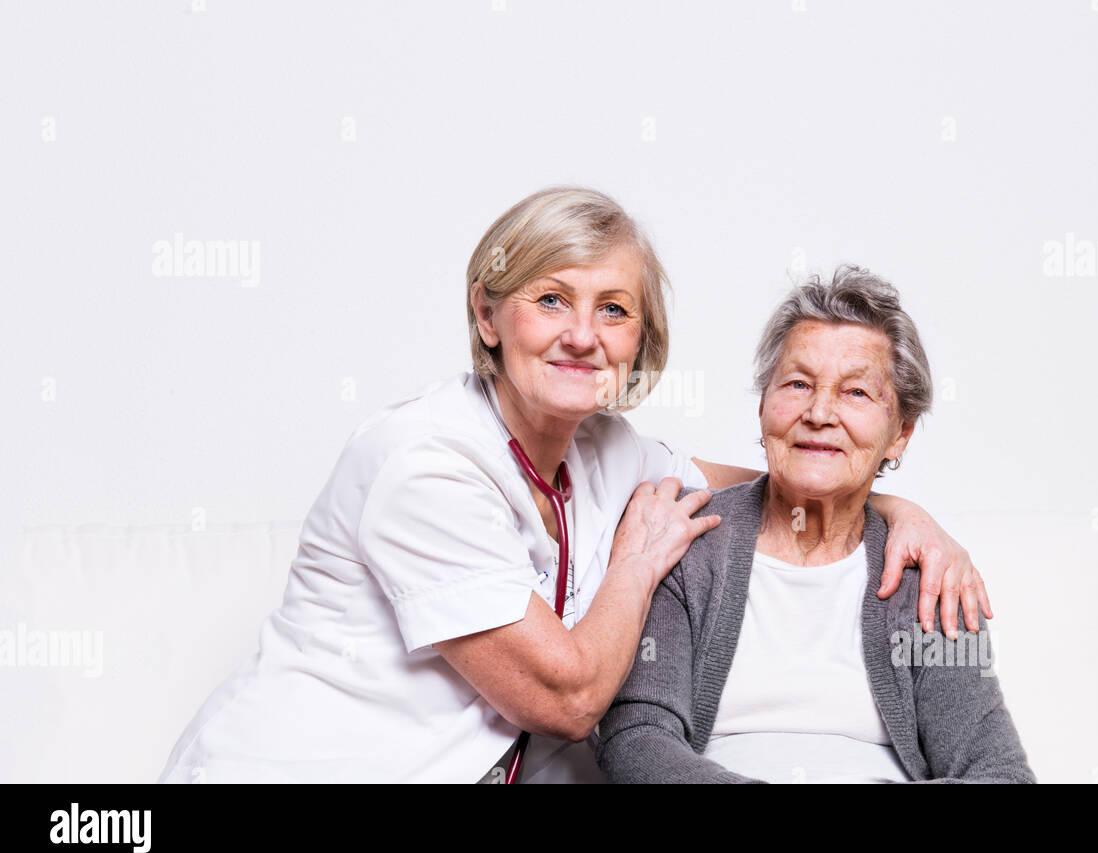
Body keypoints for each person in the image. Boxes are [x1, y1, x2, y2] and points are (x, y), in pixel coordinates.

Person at [159, 189, 990, 783]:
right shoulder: (420, 462)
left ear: (641, 338)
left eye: (615, 309)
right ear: (488, 314)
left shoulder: (609, 450)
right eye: (550, 298)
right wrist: (633, 564)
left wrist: (893, 507)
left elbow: (787, 471)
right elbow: (569, 696)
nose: (584, 336)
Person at [596, 265, 1034, 783]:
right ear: (763, 406)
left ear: (900, 435)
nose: (820, 412)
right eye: (798, 383)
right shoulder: (683, 536)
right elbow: (638, 739)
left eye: (855, 393)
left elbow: (1000, 775)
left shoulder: (931, 576)